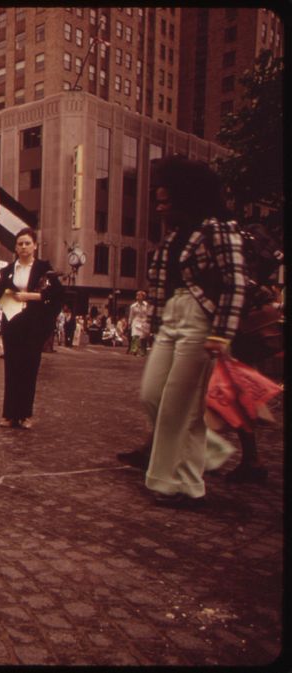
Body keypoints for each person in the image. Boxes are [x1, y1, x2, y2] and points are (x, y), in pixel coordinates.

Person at [138, 155, 245, 508]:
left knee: (180, 407)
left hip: (201, 322)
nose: (159, 205)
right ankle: (209, 451)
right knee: (152, 395)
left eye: (165, 199)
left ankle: (184, 485)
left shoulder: (218, 229)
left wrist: (221, 334)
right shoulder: (173, 237)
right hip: (171, 319)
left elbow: (235, 284)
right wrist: (153, 327)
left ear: (187, 196)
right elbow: (159, 287)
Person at [0, 228, 64, 429]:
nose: (24, 247)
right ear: (15, 247)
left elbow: (58, 297)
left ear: (35, 245)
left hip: (34, 325)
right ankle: (9, 414)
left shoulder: (45, 269)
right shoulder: (9, 270)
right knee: (12, 369)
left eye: (27, 243)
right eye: (20, 244)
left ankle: (26, 414)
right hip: (12, 323)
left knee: (29, 369)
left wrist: (31, 296)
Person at [128, 291, 151, 356]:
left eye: (139, 295)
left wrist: (148, 322)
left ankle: (143, 351)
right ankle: (134, 350)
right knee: (135, 335)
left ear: (143, 297)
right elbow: (131, 315)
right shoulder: (133, 306)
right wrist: (129, 323)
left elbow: (148, 314)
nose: (137, 297)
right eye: (137, 295)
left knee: (143, 337)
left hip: (144, 322)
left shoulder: (147, 305)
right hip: (136, 321)